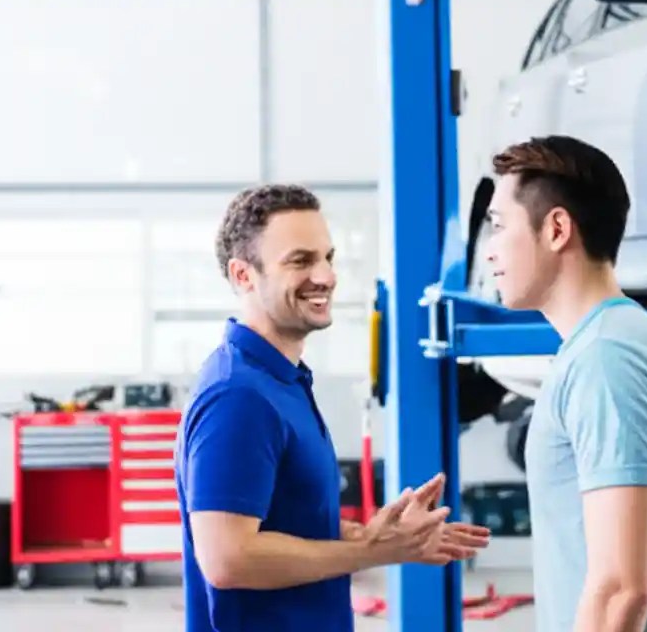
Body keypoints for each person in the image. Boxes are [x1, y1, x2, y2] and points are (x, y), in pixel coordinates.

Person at [174, 183, 490, 632]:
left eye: (328, 257)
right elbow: (229, 559)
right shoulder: (238, 396)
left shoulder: (281, 381)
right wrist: (374, 552)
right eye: (300, 261)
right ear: (244, 275)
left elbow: (284, 522)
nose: (325, 276)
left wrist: (376, 535)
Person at [483, 137, 647, 632]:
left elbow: (620, 592)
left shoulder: (607, 358)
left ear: (556, 229)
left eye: (499, 226)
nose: (489, 251)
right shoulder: (612, 341)